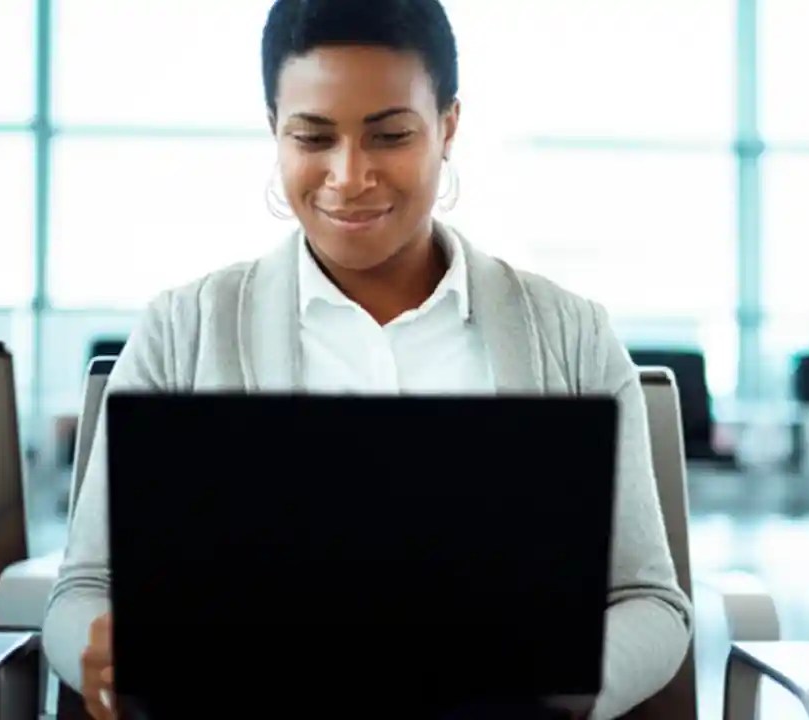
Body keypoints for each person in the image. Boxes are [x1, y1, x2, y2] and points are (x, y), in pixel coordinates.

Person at [41, 0, 693, 717]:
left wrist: (558, 687)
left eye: (389, 136)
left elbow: (651, 603)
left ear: (447, 126)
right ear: (274, 131)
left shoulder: (572, 335)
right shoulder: (181, 330)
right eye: (312, 137)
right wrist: (109, 650)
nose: (348, 176)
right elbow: (82, 591)